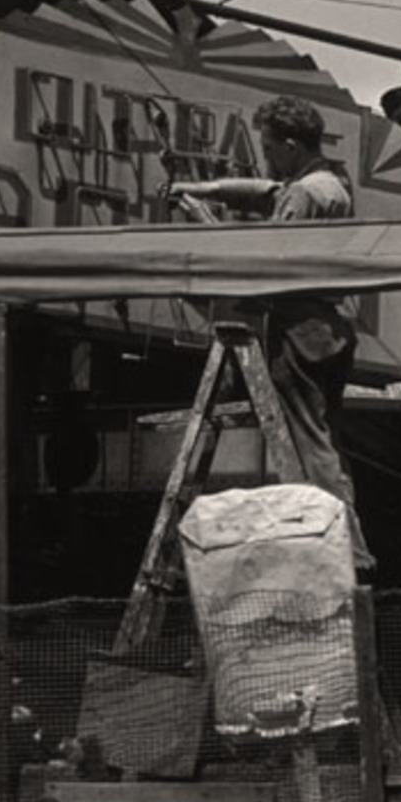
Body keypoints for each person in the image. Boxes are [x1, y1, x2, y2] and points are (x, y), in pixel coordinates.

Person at [166, 96, 366, 552]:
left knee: (307, 444)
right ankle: (351, 538)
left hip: (298, 327)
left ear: (292, 146)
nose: (269, 158)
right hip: (329, 328)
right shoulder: (332, 185)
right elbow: (264, 191)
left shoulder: (301, 193)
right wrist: (205, 188)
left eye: (272, 149)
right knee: (326, 440)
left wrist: (201, 219)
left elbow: (264, 264)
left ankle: (336, 544)